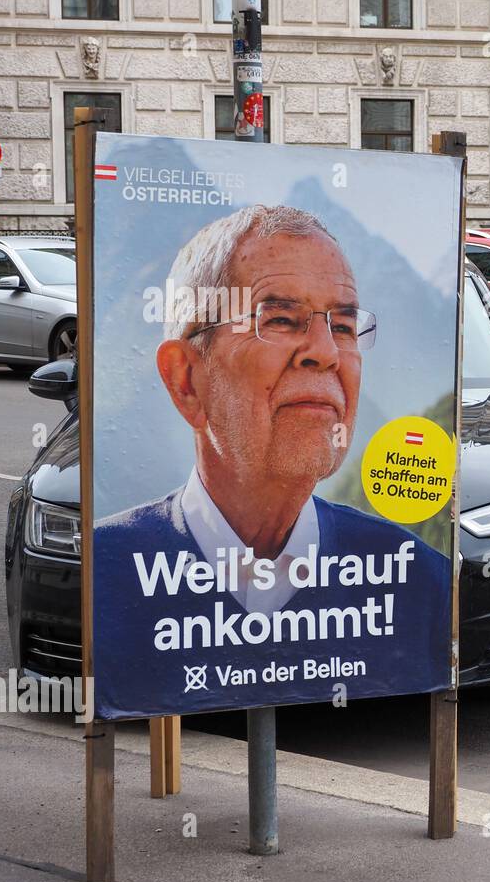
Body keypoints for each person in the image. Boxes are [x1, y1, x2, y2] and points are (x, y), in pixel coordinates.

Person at [94, 205, 451, 709]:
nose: (326, 352)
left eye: (345, 327)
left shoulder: (419, 581)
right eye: (281, 320)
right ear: (187, 380)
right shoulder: (104, 573)